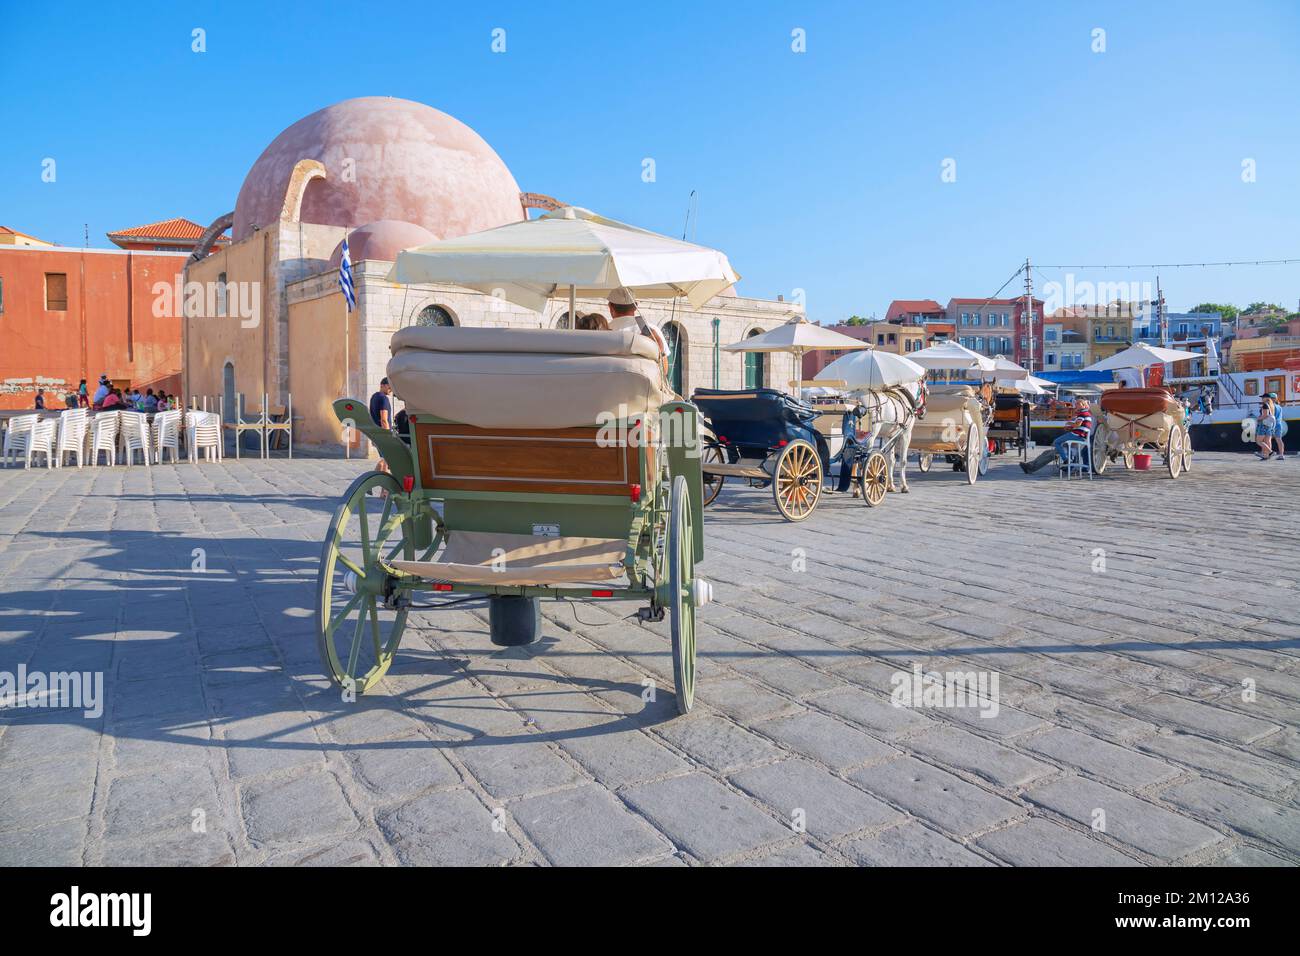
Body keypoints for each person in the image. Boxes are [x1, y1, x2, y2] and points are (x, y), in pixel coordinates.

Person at [606, 287, 670, 378]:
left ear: (610, 307)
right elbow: (664, 370)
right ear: (635, 306)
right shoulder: (651, 330)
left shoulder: (604, 330)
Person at [1021, 397, 1093, 474]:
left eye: (1078, 404)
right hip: (1070, 445)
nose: (1076, 406)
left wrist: (1071, 424)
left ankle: (1031, 467)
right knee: (1046, 452)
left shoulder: (1082, 415)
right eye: (1076, 404)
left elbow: (1078, 428)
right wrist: (1071, 427)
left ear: (1084, 405)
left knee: (1051, 453)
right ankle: (1030, 466)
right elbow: (1081, 428)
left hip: (1071, 448)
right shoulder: (1086, 416)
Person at [369, 377, 394, 475]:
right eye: (389, 387)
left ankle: (370, 480)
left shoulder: (374, 397)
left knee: (383, 459)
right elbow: (384, 420)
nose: (391, 390)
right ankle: (384, 490)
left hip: (376, 433)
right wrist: (388, 436)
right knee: (386, 461)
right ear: (382, 385)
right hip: (383, 435)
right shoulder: (383, 398)